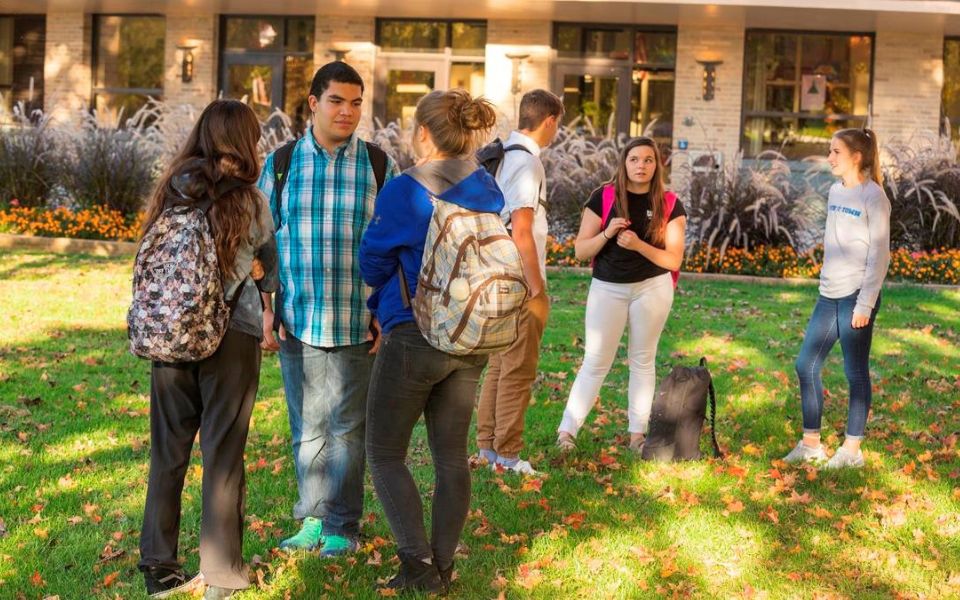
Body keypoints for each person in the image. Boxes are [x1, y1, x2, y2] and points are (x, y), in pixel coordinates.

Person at [359, 89, 502, 594]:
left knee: (384, 452)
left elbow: (372, 262)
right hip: (472, 336)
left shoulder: (406, 189)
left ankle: (418, 567)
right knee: (449, 454)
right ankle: (443, 565)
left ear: (423, 132)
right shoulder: (486, 185)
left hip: (415, 336)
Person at [137, 99, 279, 600]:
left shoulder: (170, 189)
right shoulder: (251, 201)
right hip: (232, 339)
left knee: (167, 453)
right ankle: (221, 573)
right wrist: (267, 300)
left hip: (171, 335)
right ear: (245, 140)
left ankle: (158, 566)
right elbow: (269, 266)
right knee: (222, 454)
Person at [257, 61, 399, 555]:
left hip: (357, 319)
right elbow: (262, 242)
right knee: (307, 426)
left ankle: (343, 524)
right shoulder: (281, 163)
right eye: (337, 100)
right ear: (313, 103)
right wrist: (266, 307)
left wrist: (384, 311)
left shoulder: (380, 165)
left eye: (357, 102)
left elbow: (393, 246)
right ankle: (312, 517)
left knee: (347, 428)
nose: (348, 111)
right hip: (298, 316)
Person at [555, 137, 685, 453]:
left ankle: (637, 436)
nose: (641, 166)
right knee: (596, 361)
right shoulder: (605, 196)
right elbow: (580, 251)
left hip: (652, 288)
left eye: (648, 160)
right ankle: (567, 432)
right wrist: (608, 232)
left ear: (657, 165)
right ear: (624, 163)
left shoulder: (669, 203)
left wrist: (639, 245)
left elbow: (673, 260)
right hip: (608, 288)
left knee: (642, 360)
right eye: (634, 159)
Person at [783, 128, 890, 469]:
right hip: (828, 294)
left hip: (857, 295)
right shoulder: (834, 191)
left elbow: (880, 256)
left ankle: (852, 451)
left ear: (856, 157)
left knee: (854, 371)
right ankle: (811, 444)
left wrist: (865, 303)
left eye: (835, 152)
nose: (829, 158)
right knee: (806, 364)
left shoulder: (874, 197)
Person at [475, 89, 564, 474]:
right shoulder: (527, 164)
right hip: (518, 281)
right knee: (518, 370)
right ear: (549, 121)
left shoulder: (499, 156)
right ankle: (509, 453)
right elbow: (522, 230)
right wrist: (537, 287)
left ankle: (488, 449)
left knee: (498, 366)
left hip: (492, 276)